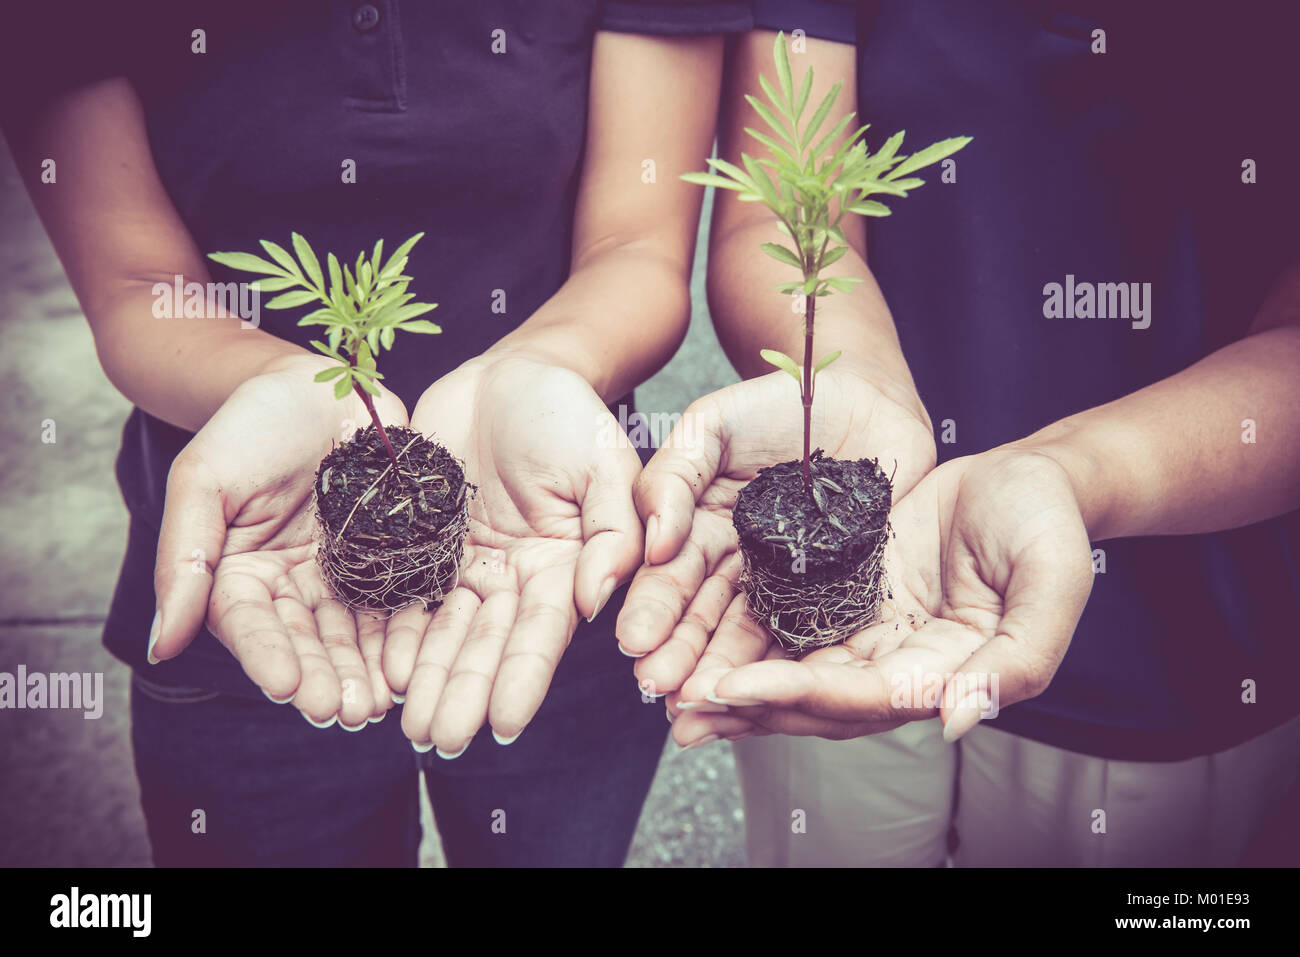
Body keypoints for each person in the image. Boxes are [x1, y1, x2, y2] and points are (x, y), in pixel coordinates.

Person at [2, 0, 747, 866]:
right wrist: (281, 384)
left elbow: (638, 248)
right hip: (254, 555)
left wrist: (536, 368)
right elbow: (136, 284)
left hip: (557, 545)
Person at [620, 2, 1300, 866]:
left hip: (1182, 640)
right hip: (851, 592)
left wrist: (1068, 475)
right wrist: (854, 380)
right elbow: (777, 214)